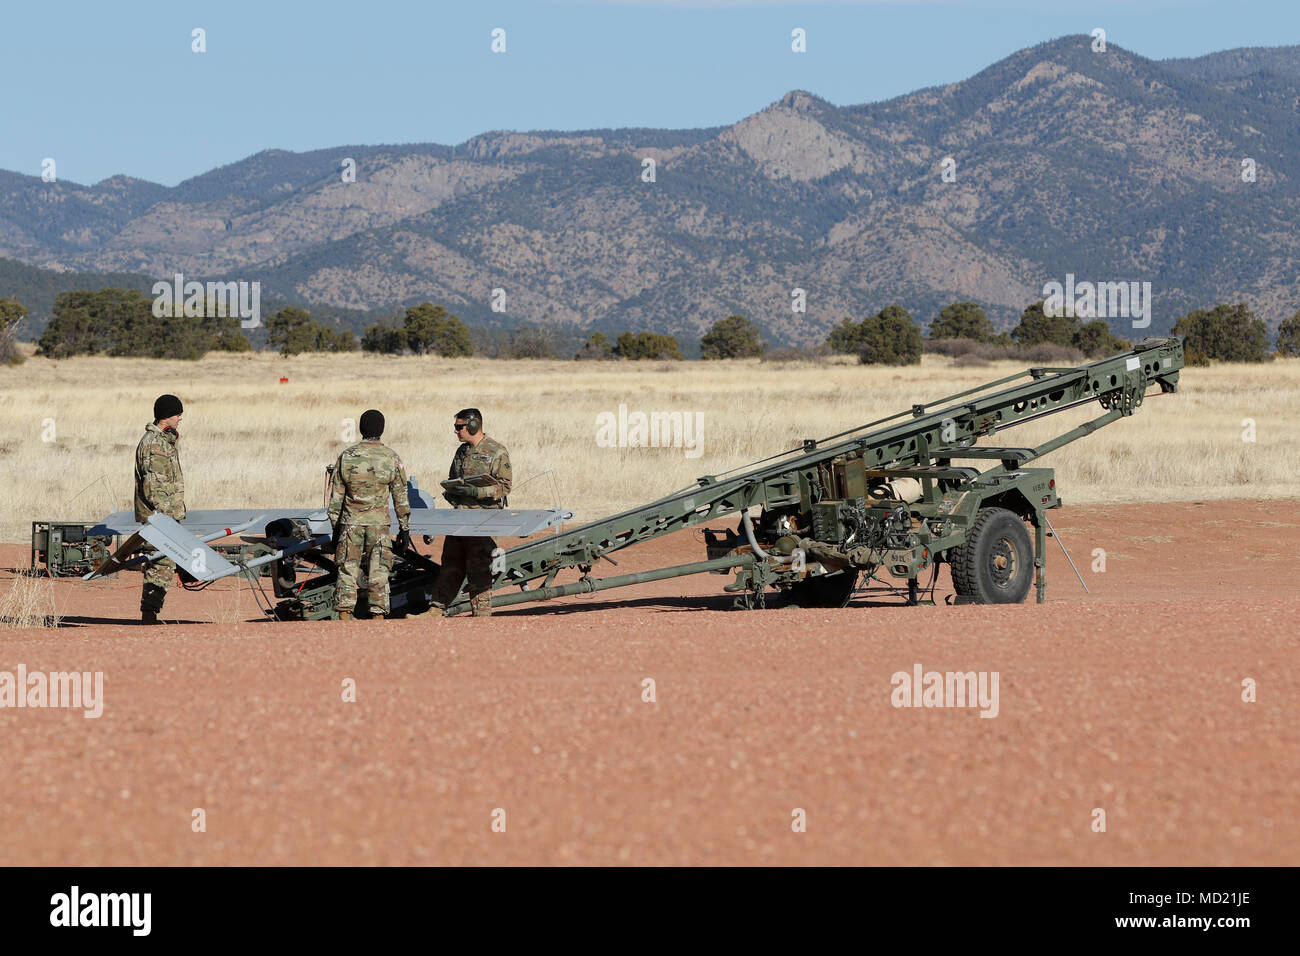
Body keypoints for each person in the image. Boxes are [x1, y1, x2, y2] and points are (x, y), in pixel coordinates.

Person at [426, 408, 512, 617]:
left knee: (479, 568)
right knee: (450, 564)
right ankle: (435, 611)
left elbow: (505, 487)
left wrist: (477, 492)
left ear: (473, 426)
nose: (456, 431)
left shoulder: (496, 451)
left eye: (459, 427)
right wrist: (453, 492)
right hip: (459, 519)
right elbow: (453, 478)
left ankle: (481, 615)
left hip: (483, 521)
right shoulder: (461, 452)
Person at [328, 409, 411, 621]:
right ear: (381, 430)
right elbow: (400, 498)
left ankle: (344, 615)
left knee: (347, 571)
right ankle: (377, 617)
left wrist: (336, 528)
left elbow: (336, 498)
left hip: (350, 524)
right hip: (379, 526)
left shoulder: (347, 456)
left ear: (361, 429)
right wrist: (404, 528)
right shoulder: (391, 458)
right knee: (379, 572)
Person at [134, 394, 186, 625]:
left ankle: (151, 613)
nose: (180, 418)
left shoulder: (162, 441)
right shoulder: (154, 445)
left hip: (165, 515)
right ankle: (149, 615)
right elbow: (154, 487)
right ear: (167, 416)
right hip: (159, 516)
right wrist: (167, 516)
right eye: (177, 414)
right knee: (160, 563)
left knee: (164, 563)